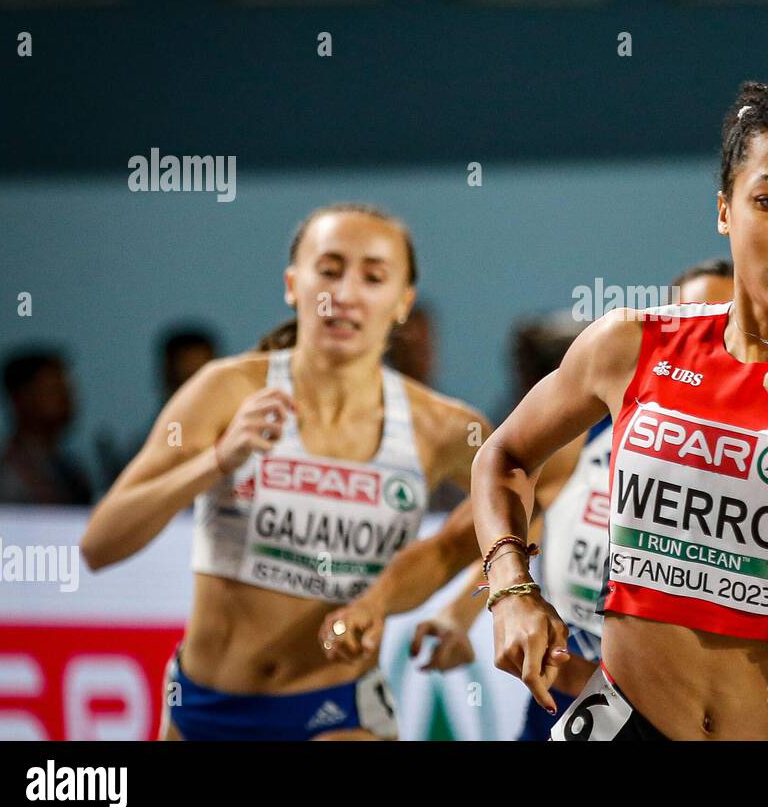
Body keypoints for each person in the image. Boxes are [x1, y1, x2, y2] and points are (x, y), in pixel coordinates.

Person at [475, 81, 768, 741]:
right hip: (618, 723)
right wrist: (510, 589)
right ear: (726, 209)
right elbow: (501, 455)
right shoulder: (630, 341)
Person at [81, 203, 488, 740]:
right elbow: (99, 546)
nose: (344, 294)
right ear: (293, 285)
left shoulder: (441, 427)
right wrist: (218, 459)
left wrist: (465, 610)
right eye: (329, 269)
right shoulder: (225, 390)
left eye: (372, 276)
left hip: (339, 711)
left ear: (402, 302)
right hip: (204, 709)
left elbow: (527, 511)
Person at [405, 261, 736, 740]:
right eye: (690, 314)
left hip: (676, 708)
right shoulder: (595, 429)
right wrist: (477, 605)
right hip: (567, 697)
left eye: (723, 317)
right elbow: (501, 515)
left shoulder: (763, 452)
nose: (707, 332)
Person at [97, 325, 221, 489]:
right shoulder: (151, 447)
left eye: (204, 383)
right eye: (184, 382)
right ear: (166, 378)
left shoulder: (235, 440)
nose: (194, 395)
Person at [0, 348, 93, 506]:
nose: (66, 400)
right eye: (53, 390)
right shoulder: (8, 480)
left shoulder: (68, 468)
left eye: (67, 390)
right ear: (22, 399)